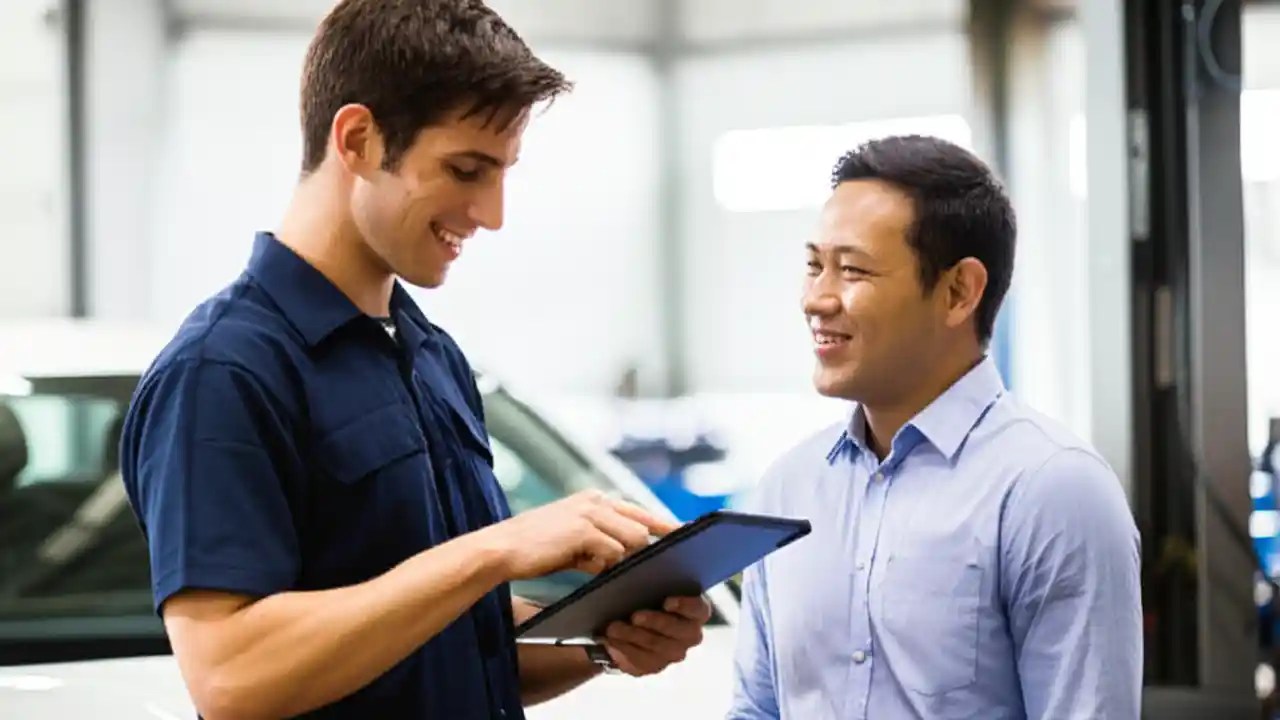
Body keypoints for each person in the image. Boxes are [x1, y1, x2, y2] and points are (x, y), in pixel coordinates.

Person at [118, 2, 711, 718]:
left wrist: (602, 640)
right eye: (466, 170)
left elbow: (454, 642)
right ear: (360, 139)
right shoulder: (224, 372)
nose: (491, 213)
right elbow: (232, 676)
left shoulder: (430, 357)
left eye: (502, 174)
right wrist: (493, 551)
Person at [726, 135, 1142, 720]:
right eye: (815, 265)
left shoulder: (1052, 492)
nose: (816, 299)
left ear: (957, 292)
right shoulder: (788, 490)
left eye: (852, 270)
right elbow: (757, 709)